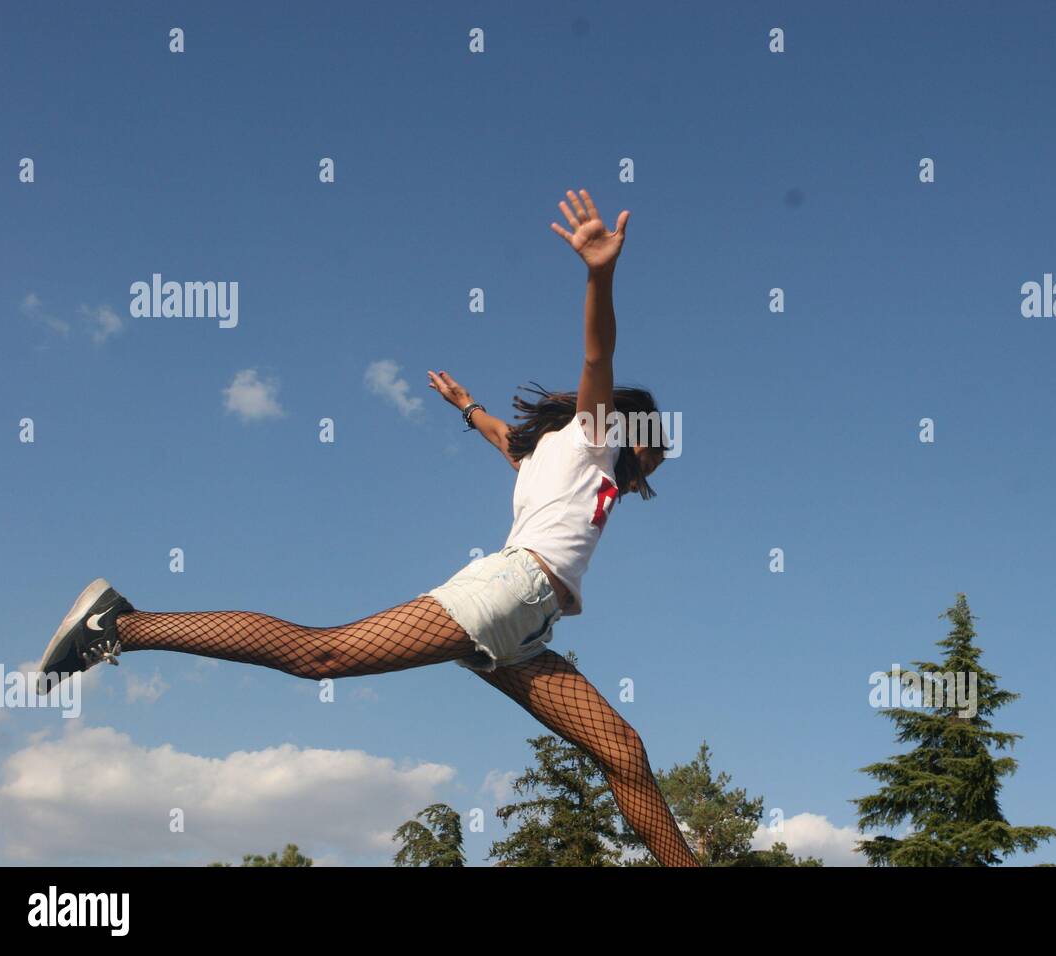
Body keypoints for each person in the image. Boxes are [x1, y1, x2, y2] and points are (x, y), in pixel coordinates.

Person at [35, 188, 699, 867]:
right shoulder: (593, 437)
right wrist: (600, 274)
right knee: (319, 653)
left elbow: (505, 438)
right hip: (508, 591)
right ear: (631, 430)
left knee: (624, 753)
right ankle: (121, 624)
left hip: (524, 632)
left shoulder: (550, 458)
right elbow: (596, 362)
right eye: (655, 455)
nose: (653, 472)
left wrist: (467, 406)